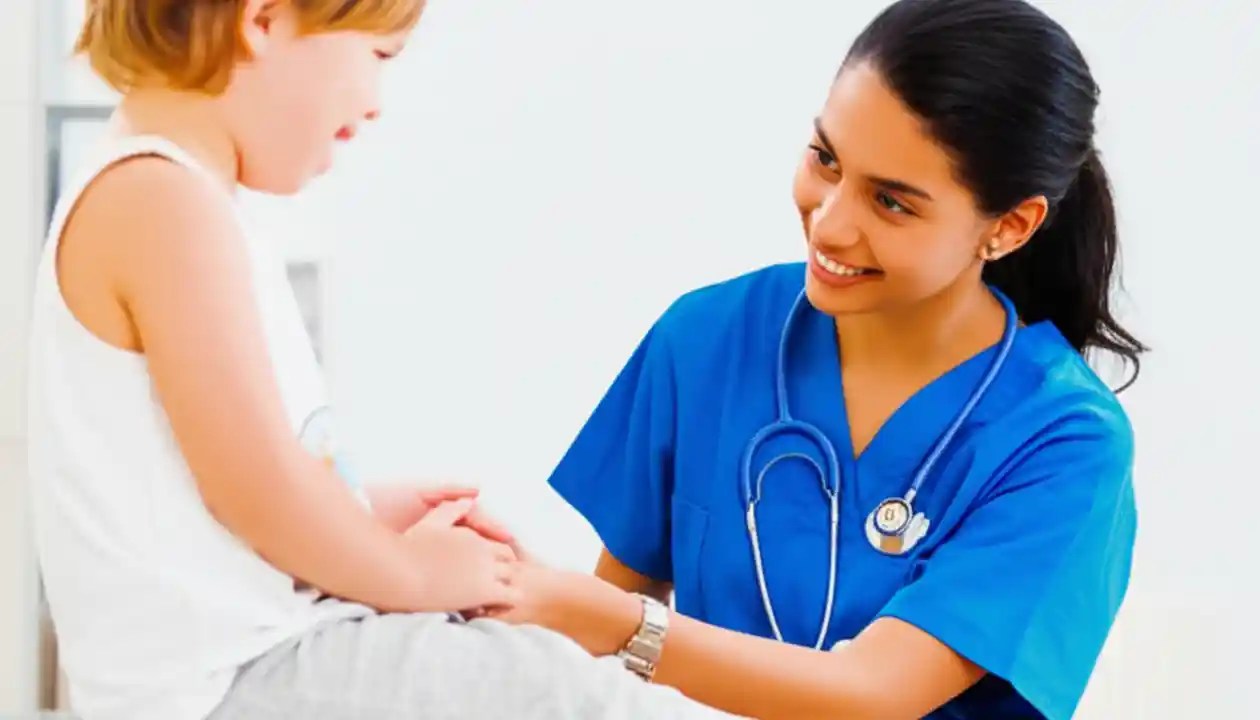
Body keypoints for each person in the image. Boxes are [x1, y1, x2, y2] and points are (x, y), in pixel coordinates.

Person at [27, 2, 738, 719]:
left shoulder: (176, 198)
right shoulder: (161, 202)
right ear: (264, 19)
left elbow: (219, 483)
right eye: (380, 57)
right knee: (550, 687)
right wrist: (407, 572)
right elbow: (259, 490)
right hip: (229, 683)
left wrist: (362, 513)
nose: (375, 107)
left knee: (524, 668)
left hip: (248, 667)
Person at [494, 0, 1143, 718]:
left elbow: (876, 694)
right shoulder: (707, 341)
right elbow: (604, 633)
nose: (829, 223)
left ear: (1010, 226)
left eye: (892, 203)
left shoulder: (1063, 440)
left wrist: (615, 624)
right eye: (826, 159)